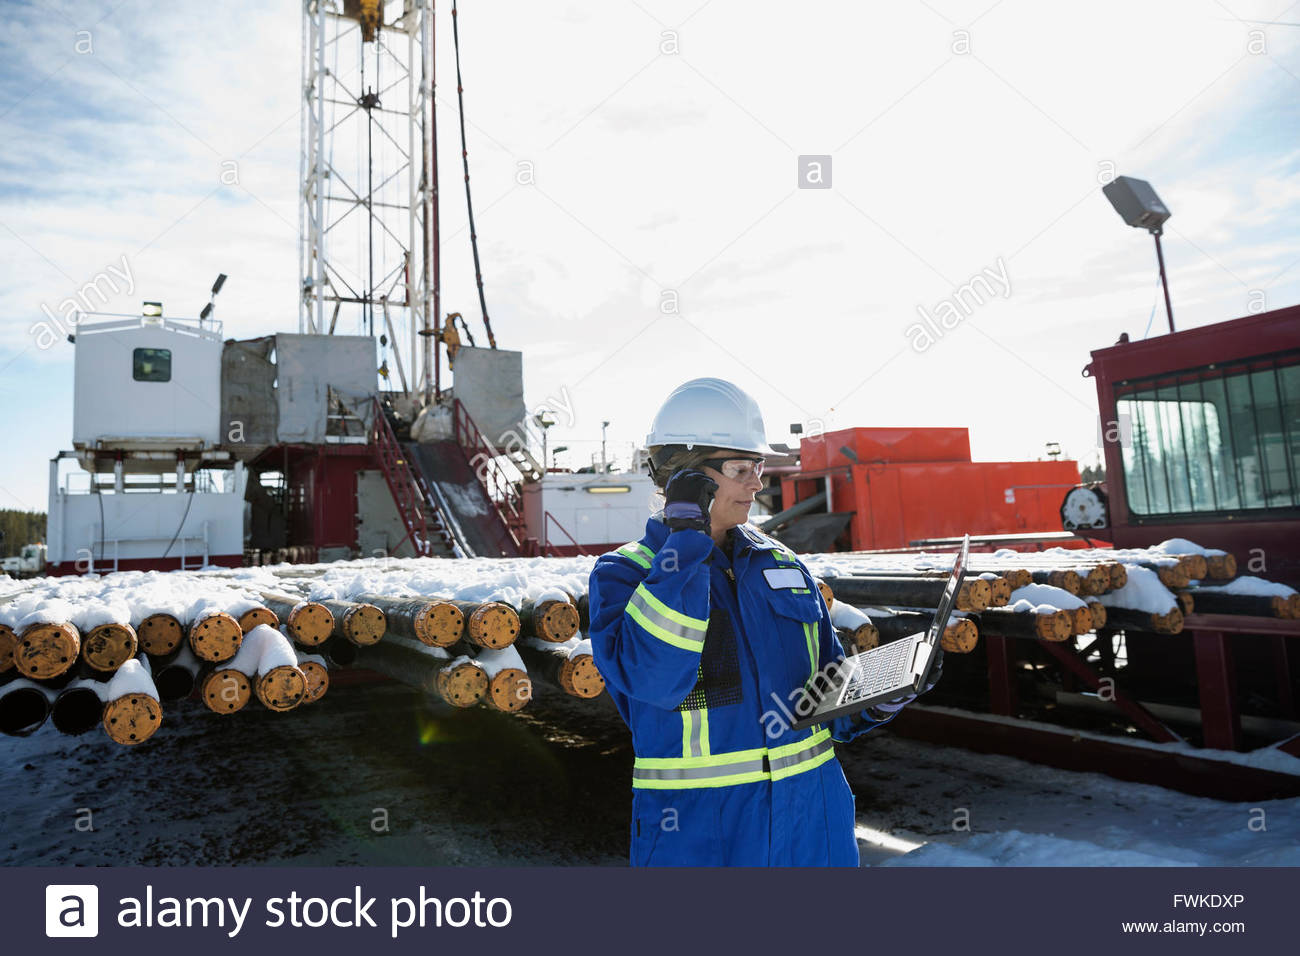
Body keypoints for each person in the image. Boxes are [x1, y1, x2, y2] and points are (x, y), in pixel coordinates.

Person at [588, 378, 942, 866]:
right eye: (741, 467)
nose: (758, 482)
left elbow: (824, 698)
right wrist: (686, 543)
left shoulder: (783, 566)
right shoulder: (626, 575)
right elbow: (656, 678)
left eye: (758, 466)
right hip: (703, 839)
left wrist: (889, 688)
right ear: (685, 477)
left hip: (815, 831)